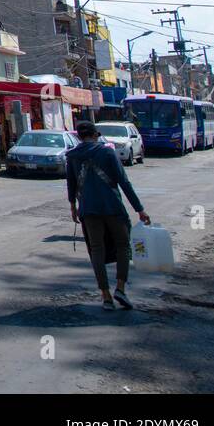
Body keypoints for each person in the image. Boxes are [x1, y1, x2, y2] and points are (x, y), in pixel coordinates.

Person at [66, 120, 151, 311]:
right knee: (123, 246)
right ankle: (120, 288)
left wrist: (73, 206)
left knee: (96, 250)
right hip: (112, 207)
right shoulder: (107, 152)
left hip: (88, 210)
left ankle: (105, 296)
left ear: (79, 136)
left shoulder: (73, 156)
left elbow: (71, 183)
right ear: (95, 134)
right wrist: (139, 209)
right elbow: (123, 182)